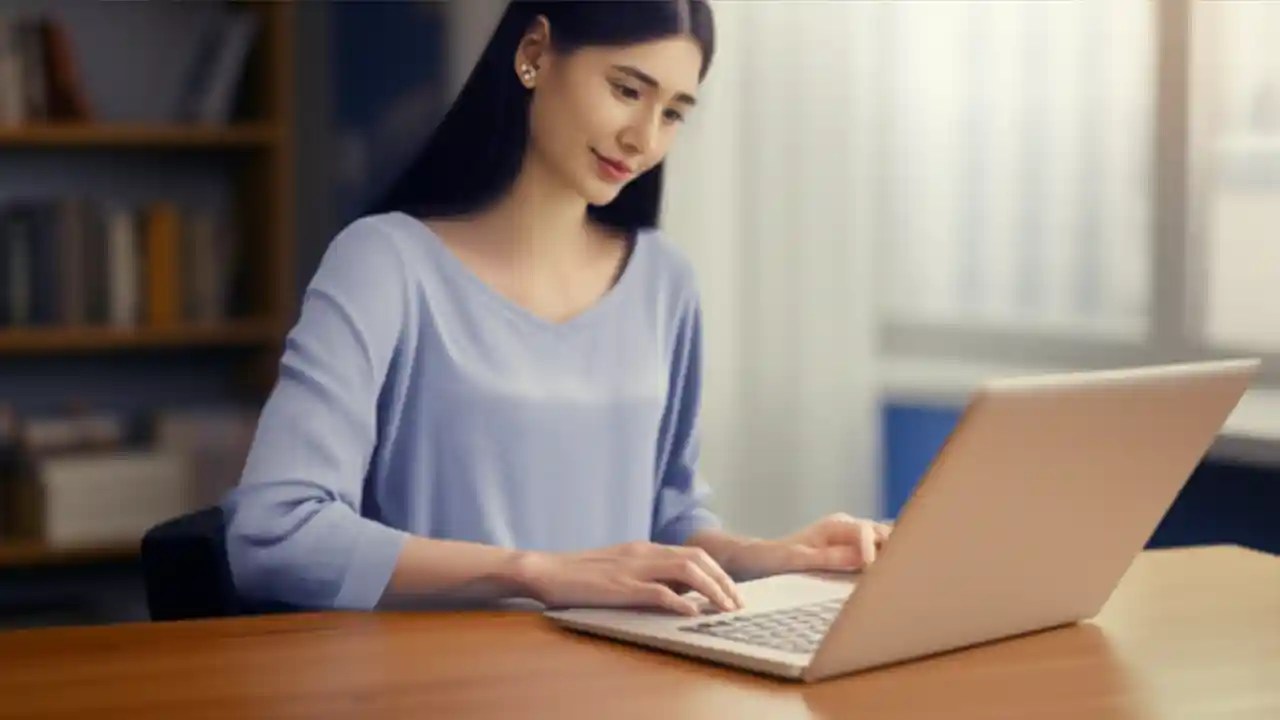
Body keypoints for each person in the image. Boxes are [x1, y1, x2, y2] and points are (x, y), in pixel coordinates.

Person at [222, 0, 891, 617]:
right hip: (433, 688)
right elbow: (277, 532)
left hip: (623, 683)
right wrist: (535, 572)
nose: (644, 138)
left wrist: (777, 557)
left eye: (674, 112)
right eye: (627, 90)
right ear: (535, 53)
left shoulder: (664, 283)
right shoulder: (384, 266)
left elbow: (668, 521)